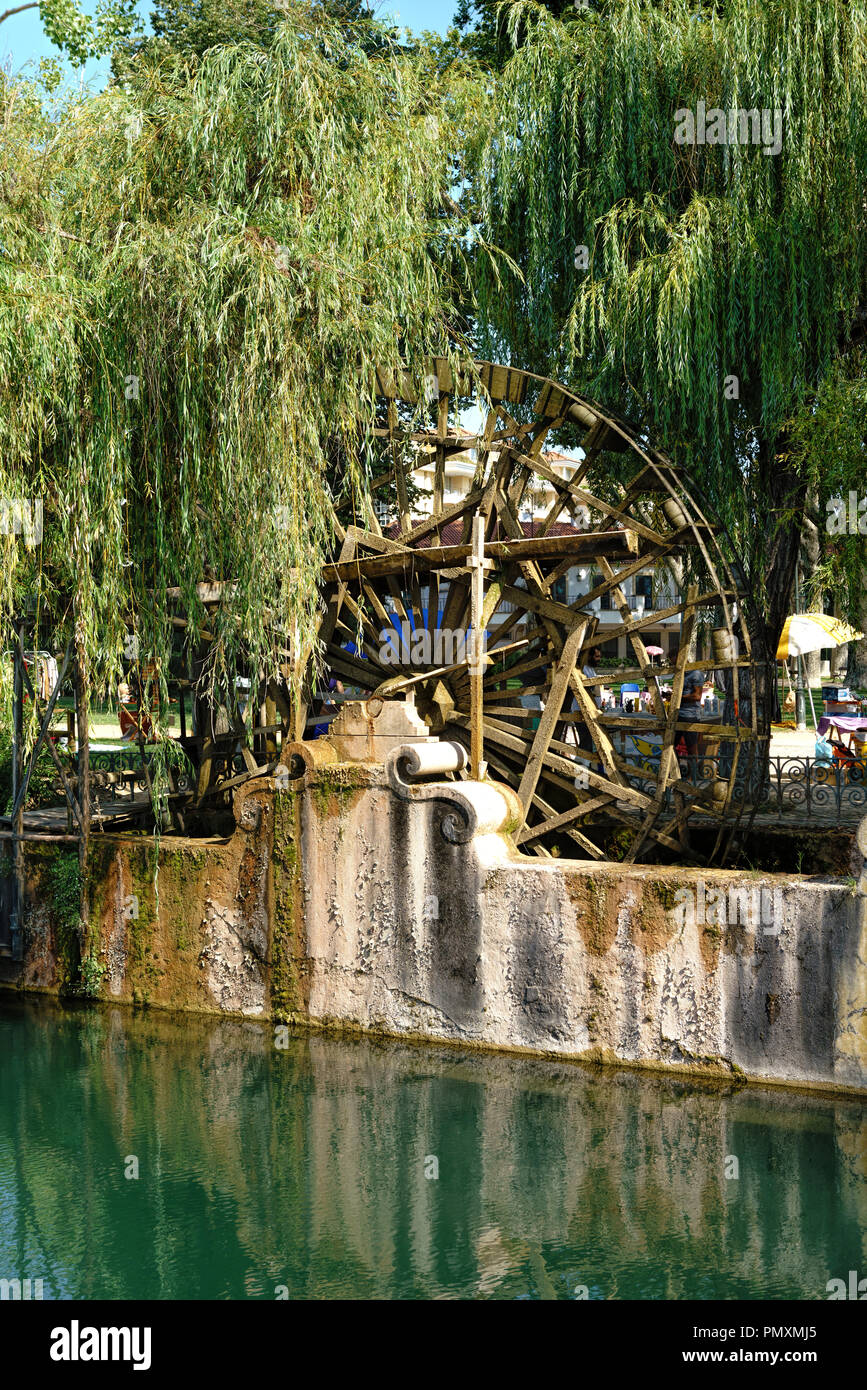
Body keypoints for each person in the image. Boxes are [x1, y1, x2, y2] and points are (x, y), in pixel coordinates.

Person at [678, 668, 705, 756]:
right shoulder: (680, 673)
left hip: (690, 715)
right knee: (671, 746)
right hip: (679, 714)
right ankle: (676, 769)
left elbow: (697, 696)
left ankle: (693, 769)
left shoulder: (696, 673)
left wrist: (678, 698)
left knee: (691, 748)